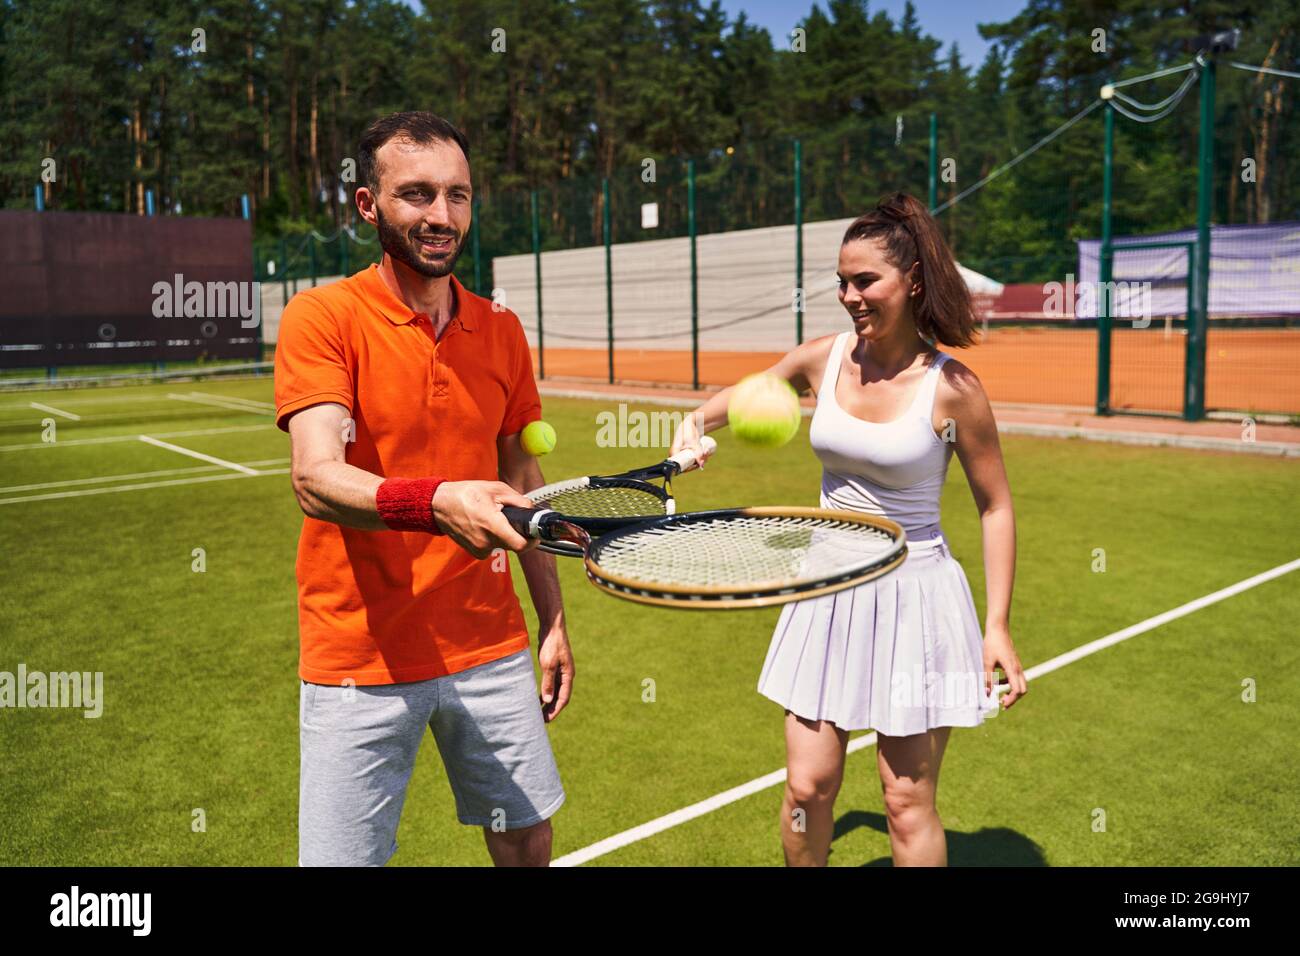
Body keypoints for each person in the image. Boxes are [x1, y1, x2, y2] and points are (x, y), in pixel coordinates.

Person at [672, 192, 1027, 867]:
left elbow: (995, 505)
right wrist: (693, 427)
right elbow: (754, 393)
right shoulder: (822, 360)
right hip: (826, 584)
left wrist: (997, 624)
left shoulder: (952, 389)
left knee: (904, 802)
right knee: (808, 784)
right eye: (842, 281)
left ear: (913, 280)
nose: (850, 295)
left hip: (915, 594)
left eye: (866, 280)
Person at [274, 111, 572, 867]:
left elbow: (522, 482)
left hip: (489, 642)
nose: (441, 216)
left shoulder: (501, 329)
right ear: (369, 207)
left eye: (458, 195)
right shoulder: (322, 317)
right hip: (359, 655)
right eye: (417, 195)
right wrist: (437, 502)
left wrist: (554, 621)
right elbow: (316, 477)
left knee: (526, 834)